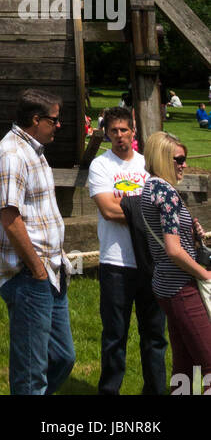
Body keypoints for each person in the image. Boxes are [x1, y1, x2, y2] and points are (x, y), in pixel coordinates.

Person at [0, 88, 75, 396]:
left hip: (52, 270)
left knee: (63, 357)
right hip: (29, 276)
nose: (59, 125)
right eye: (55, 119)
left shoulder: (34, 151)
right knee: (30, 374)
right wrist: (36, 268)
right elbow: (11, 218)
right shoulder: (12, 155)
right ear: (36, 120)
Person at [87, 107, 166, 395]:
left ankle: (156, 391)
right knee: (114, 336)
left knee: (155, 336)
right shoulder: (101, 166)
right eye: (113, 131)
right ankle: (109, 391)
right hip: (116, 262)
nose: (119, 135)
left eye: (124, 129)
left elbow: (165, 208)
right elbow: (108, 210)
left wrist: (129, 204)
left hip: (151, 262)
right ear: (106, 135)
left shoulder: (149, 165)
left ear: (133, 131)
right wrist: (145, 206)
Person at [141, 130, 211, 387]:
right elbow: (173, 249)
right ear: (161, 159)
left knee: (185, 363)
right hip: (181, 287)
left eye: (185, 158)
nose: (184, 165)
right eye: (178, 159)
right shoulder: (167, 194)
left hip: (166, 286)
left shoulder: (151, 188)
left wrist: (191, 233)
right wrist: (204, 274)